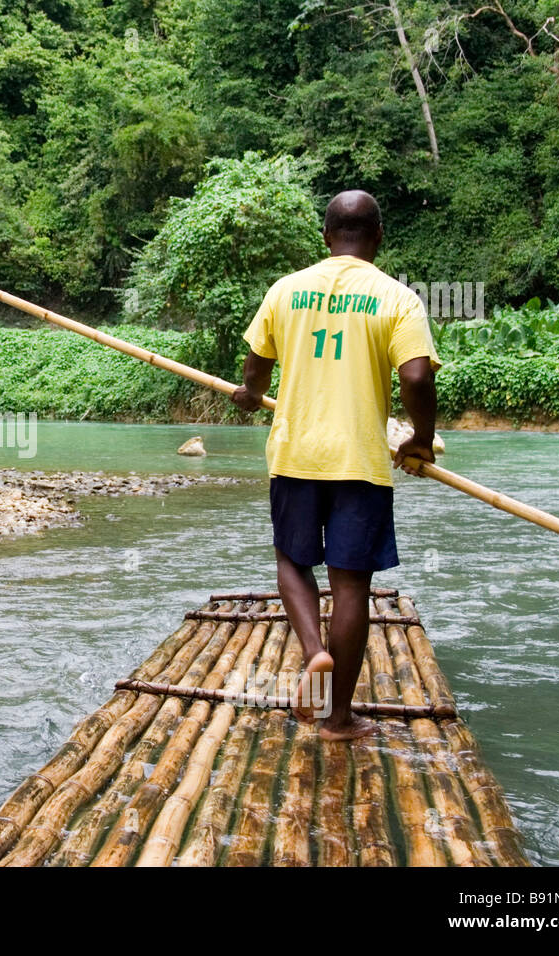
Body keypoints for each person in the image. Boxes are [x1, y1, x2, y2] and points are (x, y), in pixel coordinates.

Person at [231, 190, 440, 741]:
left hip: (296, 455)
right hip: (361, 462)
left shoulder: (285, 290)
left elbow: (255, 375)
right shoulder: (397, 299)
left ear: (325, 236)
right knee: (351, 586)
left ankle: (313, 652)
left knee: (292, 563)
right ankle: (336, 718)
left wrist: (249, 395)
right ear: (378, 237)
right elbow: (416, 377)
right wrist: (421, 438)